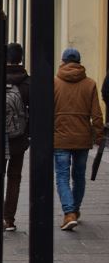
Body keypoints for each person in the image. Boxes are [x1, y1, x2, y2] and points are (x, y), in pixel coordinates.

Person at [53, 48, 105, 231]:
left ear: (63, 62)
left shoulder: (55, 83)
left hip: (60, 137)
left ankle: (69, 213)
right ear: (79, 62)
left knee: (62, 176)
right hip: (82, 138)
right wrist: (99, 135)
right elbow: (97, 115)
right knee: (79, 177)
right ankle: (74, 209)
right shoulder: (90, 84)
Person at [3, 42, 31, 232]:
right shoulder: (28, 83)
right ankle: (9, 219)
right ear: (21, 58)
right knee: (14, 177)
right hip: (18, 138)